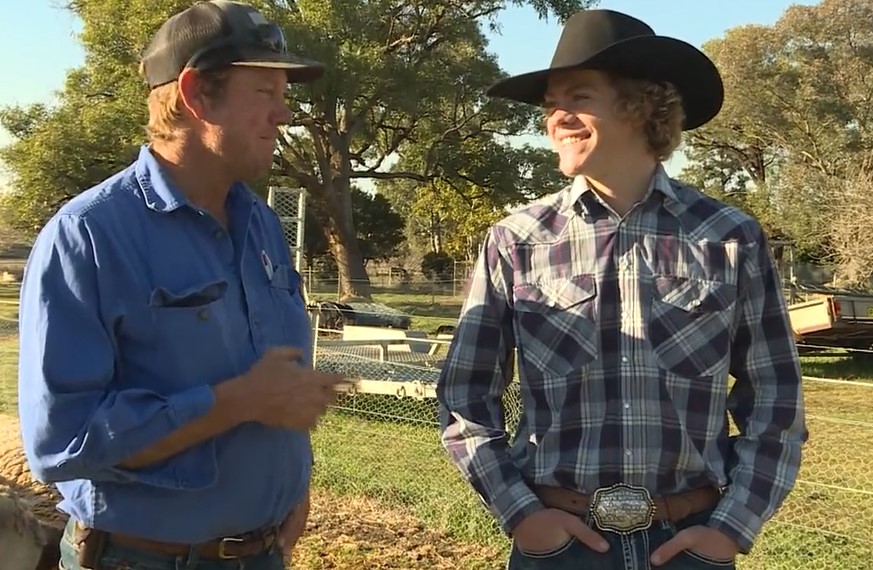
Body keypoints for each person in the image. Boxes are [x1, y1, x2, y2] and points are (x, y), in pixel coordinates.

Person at [436, 9, 807, 570]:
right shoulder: (516, 241)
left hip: (688, 545)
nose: (557, 117)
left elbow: (776, 400)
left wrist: (728, 531)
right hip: (560, 548)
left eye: (578, 96)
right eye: (549, 104)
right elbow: (465, 399)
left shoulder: (730, 238)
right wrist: (522, 515)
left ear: (643, 105)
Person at [17, 1, 351, 569]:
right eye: (265, 92)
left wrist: (291, 484)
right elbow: (62, 441)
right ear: (197, 94)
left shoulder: (262, 226)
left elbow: (276, 381)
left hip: (263, 552)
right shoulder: (88, 236)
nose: (285, 113)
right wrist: (237, 402)